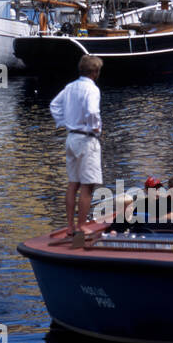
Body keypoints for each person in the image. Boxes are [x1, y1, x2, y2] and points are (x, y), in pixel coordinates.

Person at [47, 53, 104, 242]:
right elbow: (92, 111)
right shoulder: (92, 89)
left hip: (71, 137)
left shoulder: (70, 87)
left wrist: (64, 122)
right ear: (95, 72)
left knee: (73, 183)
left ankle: (70, 226)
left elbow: (54, 105)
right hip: (87, 139)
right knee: (88, 186)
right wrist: (95, 127)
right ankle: (82, 227)